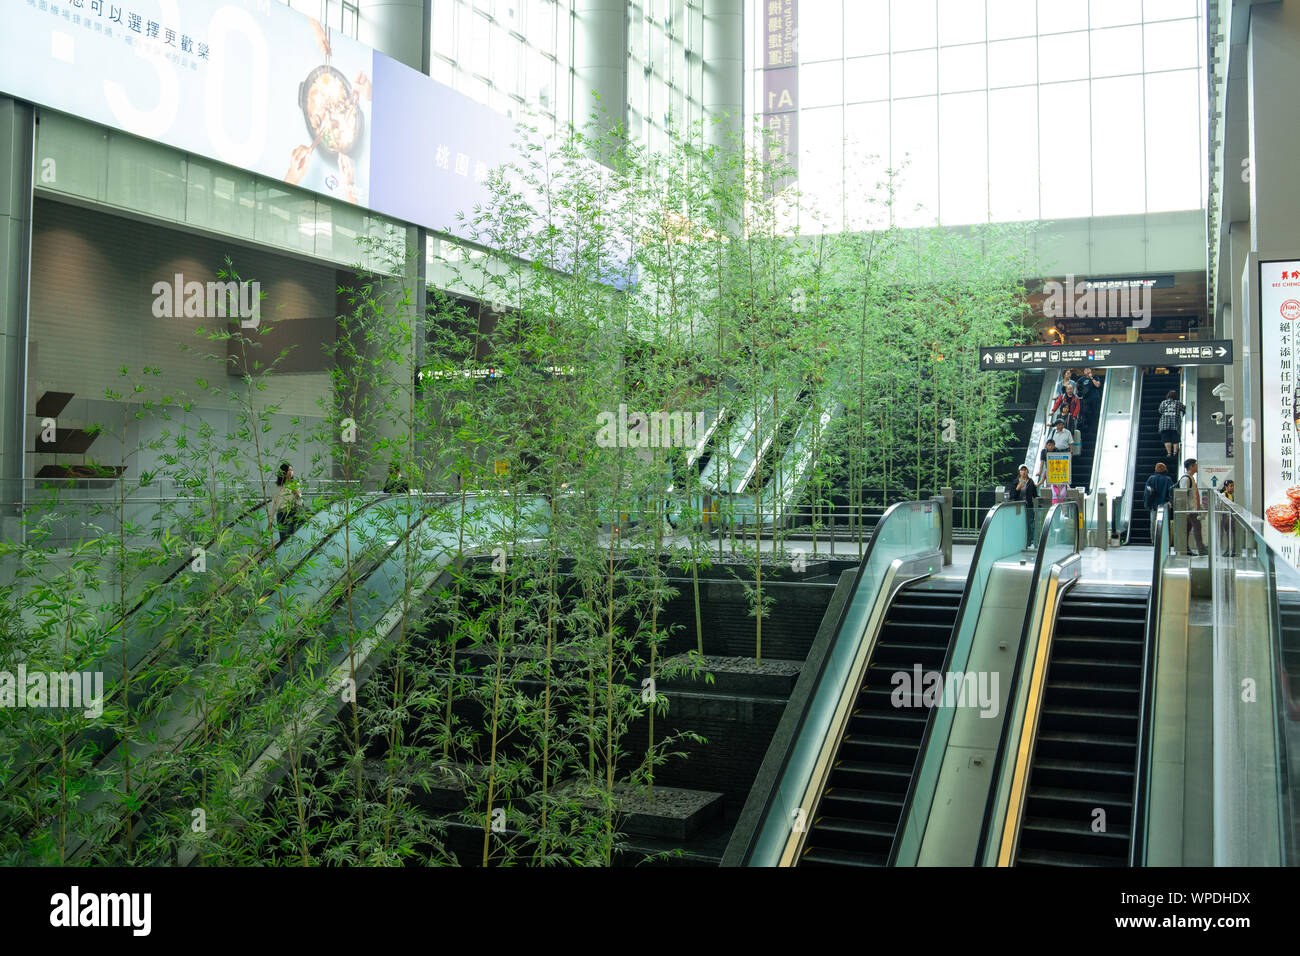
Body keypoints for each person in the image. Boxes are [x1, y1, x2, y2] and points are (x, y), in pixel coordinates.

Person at [270, 462, 305, 545]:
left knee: (288, 538)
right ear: (283, 472)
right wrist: (270, 520)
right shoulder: (278, 486)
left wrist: (296, 493)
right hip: (280, 514)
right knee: (283, 539)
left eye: (292, 470)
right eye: (289, 470)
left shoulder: (295, 484)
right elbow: (274, 504)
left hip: (291, 513)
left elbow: (300, 501)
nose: (291, 472)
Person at [1177, 458, 1206, 556]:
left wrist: (1199, 506)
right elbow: (1183, 495)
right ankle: (1201, 549)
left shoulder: (1191, 478)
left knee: (1188, 530)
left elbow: (1193, 495)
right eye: (1195, 465)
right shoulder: (1186, 479)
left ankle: (1186, 549)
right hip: (1190, 511)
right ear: (1191, 467)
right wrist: (1186, 511)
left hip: (1193, 510)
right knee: (1197, 528)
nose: (1197, 467)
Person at [1143, 461, 1174, 545]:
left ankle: (1154, 541)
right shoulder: (1168, 479)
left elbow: (1146, 492)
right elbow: (1171, 492)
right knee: (1164, 523)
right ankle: (1163, 541)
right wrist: (1170, 502)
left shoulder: (1151, 478)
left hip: (1153, 505)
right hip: (1164, 504)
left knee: (1153, 523)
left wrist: (1147, 503)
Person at [1011, 465, 1039, 548]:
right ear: (1019, 472)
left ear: (1028, 472)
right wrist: (1017, 489)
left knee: (1029, 523)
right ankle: (1019, 541)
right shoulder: (1016, 482)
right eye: (1022, 470)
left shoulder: (1030, 482)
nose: (1023, 472)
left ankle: (1029, 541)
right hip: (1018, 507)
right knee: (1019, 523)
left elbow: (1035, 494)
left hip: (1028, 507)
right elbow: (1012, 496)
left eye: (1025, 470)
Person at [1157, 390, 1186, 461]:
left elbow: (1160, 411)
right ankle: (1175, 452)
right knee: (1175, 438)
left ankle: (1169, 453)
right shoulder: (1178, 403)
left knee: (1166, 438)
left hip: (1164, 424)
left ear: (1168, 396)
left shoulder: (1163, 402)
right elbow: (1184, 408)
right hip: (1175, 423)